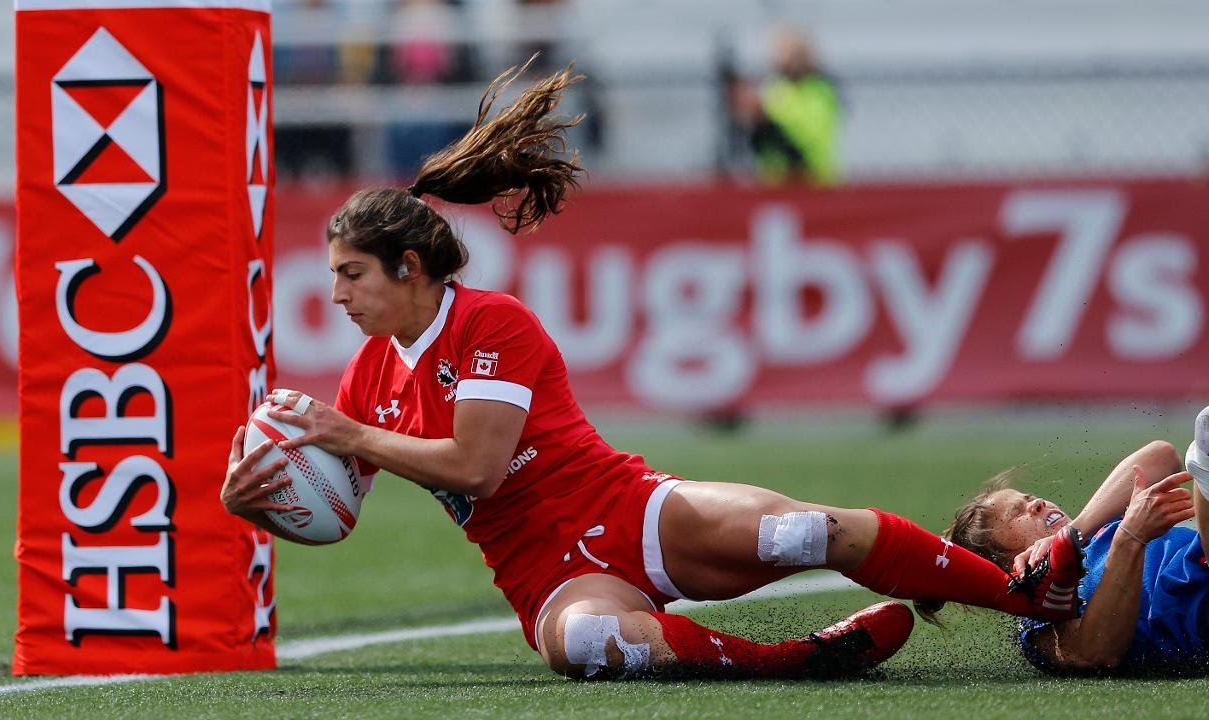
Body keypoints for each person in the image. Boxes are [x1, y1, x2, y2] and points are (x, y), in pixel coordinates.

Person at [220, 60, 1083, 681]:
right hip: (550, 579)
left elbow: (478, 467)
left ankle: (1027, 598)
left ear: (409, 267)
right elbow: (337, 512)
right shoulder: (367, 381)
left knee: (807, 534)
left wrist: (345, 433)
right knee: (588, 646)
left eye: (351, 274)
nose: (336, 294)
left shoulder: (489, 321)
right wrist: (260, 497)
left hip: (634, 513)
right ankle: (796, 660)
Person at [939, 409, 1209, 675]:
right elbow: (1095, 653)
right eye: (1017, 513)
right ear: (1004, 565)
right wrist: (1130, 536)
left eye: (1029, 498)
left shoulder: (1097, 532)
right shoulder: (1040, 610)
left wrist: (1075, 530)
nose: (1036, 503)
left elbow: (1162, 455)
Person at [738, 27, 842, 186]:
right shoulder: (774, 88)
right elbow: (759, 142)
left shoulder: (820, 91)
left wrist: (766, 120)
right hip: (776, 185)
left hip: (816, 183)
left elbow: (808, 138)